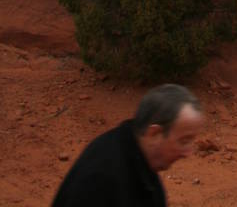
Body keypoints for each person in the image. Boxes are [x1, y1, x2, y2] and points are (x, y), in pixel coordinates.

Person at [51, 84, 204, 207]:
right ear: (154, 133)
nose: (187, 153)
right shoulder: (102, 178)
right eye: (183, 141)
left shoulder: (139, 161)